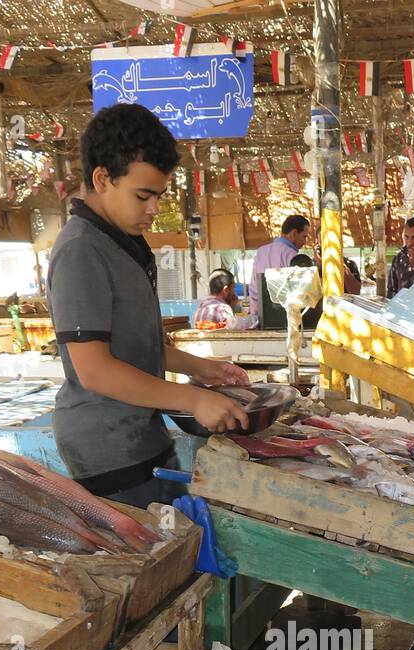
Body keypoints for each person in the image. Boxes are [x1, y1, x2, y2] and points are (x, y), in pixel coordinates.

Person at [46, 103, 250, 506]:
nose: (154, 209)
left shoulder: (124, 242)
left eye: (158, 195)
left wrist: (200, 369)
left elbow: (135, 344)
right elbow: (96, 371)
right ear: (102, 178)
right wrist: (192, 398)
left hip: (142, 430)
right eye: (143, 195)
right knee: (156, 552)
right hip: (107, 449)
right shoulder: (81, 251)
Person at [248, 214, 310, 325]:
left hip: (260, 318)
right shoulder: (292, 255)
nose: (305, 242)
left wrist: (255, 315)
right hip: (286, 320)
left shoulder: (261, 252)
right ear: (294, 233)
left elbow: (253, 287)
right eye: (304, 236)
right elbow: (301, 291)